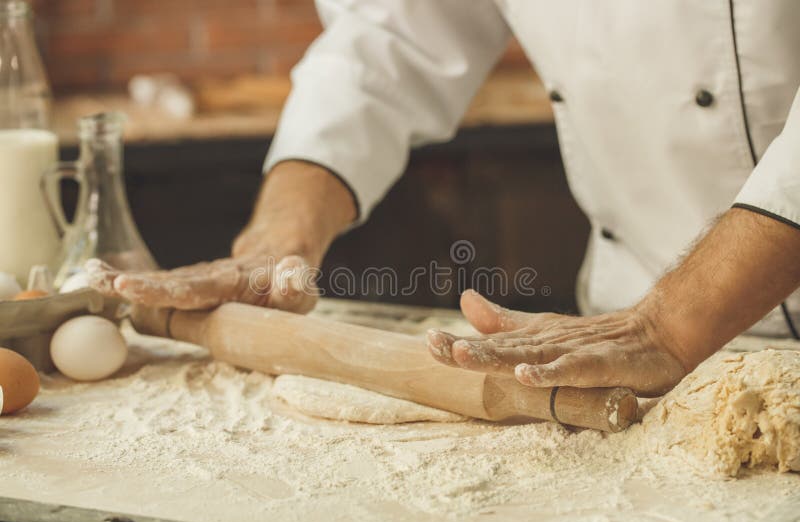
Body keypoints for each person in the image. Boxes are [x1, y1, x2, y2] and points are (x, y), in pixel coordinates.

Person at [90, 1, 800, 396]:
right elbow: (388, 38)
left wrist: (674, 323)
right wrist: (280, 239)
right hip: (618, 354)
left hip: (660, 327)